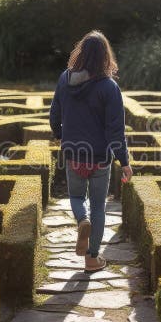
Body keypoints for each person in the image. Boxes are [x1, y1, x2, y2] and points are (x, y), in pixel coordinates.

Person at [49, 30, 132, 272]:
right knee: (98, 207)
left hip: (74, 154)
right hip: (100, 158)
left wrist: (60, 136)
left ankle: (81, 221)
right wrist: (124, 161)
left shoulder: (65, 79)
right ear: (105, 56)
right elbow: (115, 131)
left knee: (76, 198)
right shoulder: (109, 87)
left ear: (81, 53)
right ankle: (92, 259)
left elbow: (54, 114)